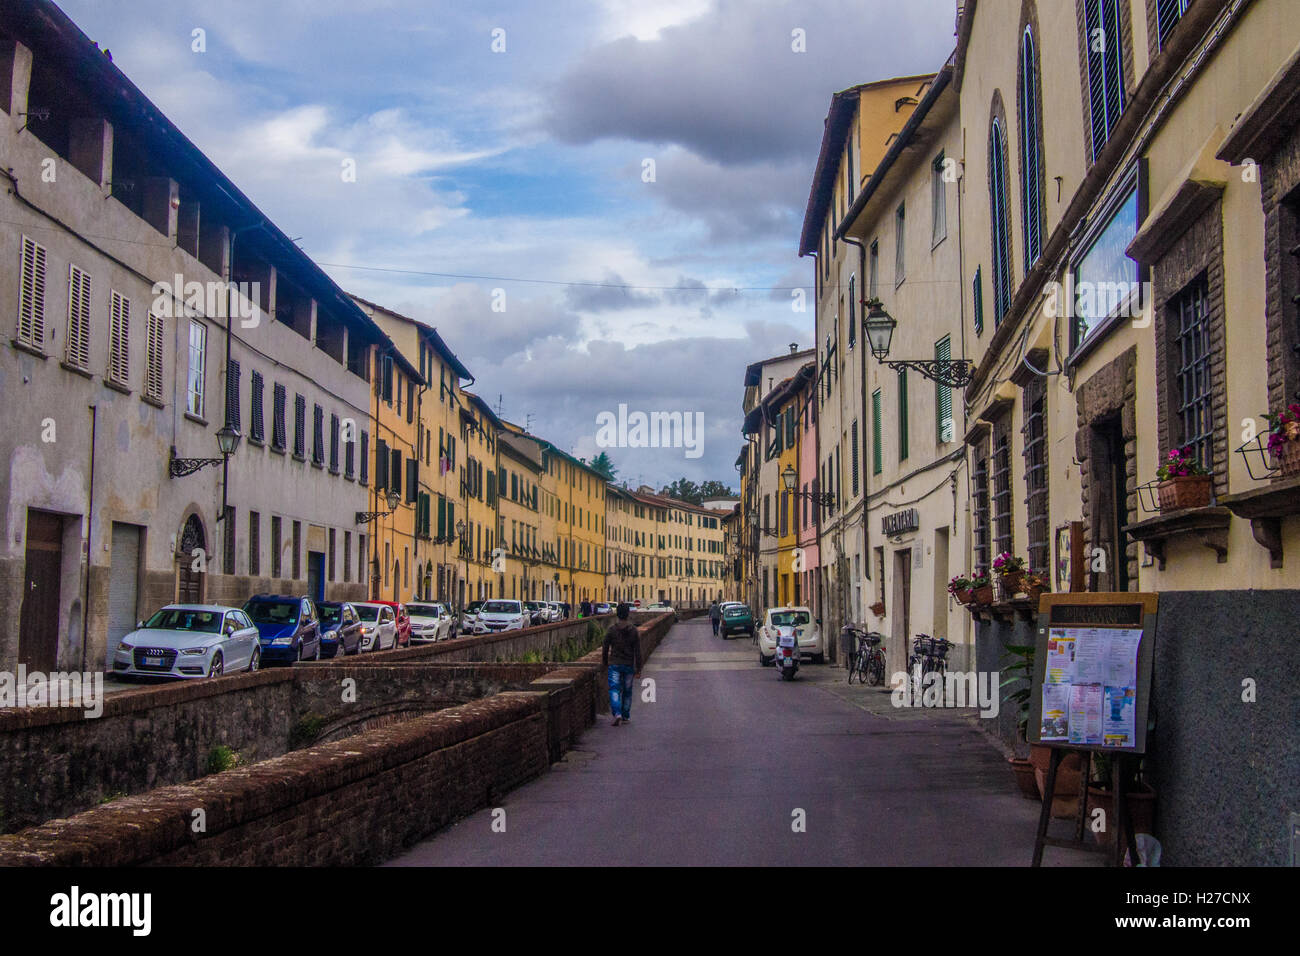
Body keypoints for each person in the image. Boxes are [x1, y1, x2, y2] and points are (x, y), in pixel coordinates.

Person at [602, 603, 642, 726]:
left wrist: (605, 662)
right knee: (627, 691)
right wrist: (639, 668)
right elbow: (638, 651)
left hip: (614, 664)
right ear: (628, 614)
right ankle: (625, 716)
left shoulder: (611, 630)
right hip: (628, 665)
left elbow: (605, 648)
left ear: (617, 614)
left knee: (614, 689)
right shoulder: (634, 631)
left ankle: (617, 713)